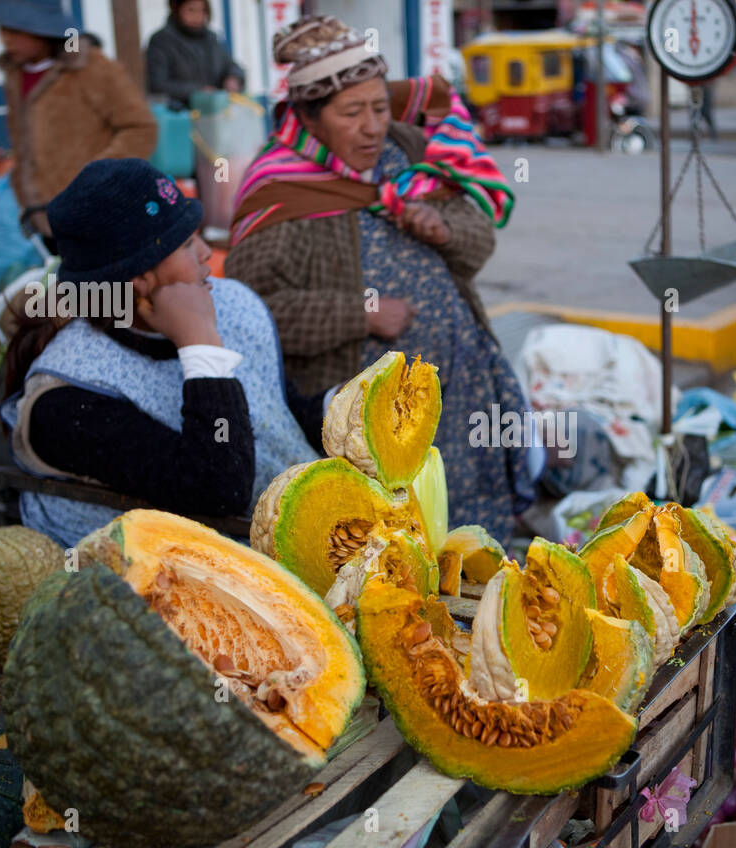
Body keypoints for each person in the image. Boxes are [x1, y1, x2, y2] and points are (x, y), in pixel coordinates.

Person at [224, 15, 532, 543]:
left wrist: (442, 230)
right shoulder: (279, 191)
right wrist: (360, 313)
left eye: (379, 107)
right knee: (394, 543)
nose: (372, 127)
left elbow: (480, 239)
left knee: (473, 526)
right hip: (371, 425)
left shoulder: (406, 152)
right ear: (310, 117)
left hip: (460, 390)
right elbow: (252, 315)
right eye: (352, 112)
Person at [0, 159, 318, 548]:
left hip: (282, 540)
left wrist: (353, 403)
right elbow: (220, 491)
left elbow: (283, 412)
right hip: (140, 589)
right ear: (139, 281)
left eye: (196, 234)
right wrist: (200, 344)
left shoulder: (227, 302)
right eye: (185, 244)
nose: (205, 253)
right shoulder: (68, 397)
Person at [0, 0, 157, 242]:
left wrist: (97, 177)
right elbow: (20, 139)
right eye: (2, 30)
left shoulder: (91, 67)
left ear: (43, 30)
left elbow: (141, 127)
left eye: (15, 31)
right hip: (42, 212)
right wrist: (23, 190)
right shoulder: (15, 76)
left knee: (105, 281)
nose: (6, 39)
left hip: (98, 211)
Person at [146, 0, 245, 109]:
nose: (197, 16)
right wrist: (198, 90)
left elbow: (230, 65)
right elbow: (157, 84)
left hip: (215, 112)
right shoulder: (161, 41)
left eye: (202, 10)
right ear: (176, 9)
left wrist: (233, 78)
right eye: (191, 10)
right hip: (180, 114)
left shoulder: (211, 39)